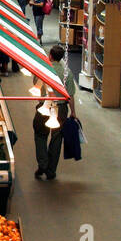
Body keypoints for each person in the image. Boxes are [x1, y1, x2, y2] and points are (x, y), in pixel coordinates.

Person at [33, 44, 79, 180]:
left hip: (44, 107)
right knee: (57, 138)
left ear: (50, 56)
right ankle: (51, 170)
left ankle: (42, 163)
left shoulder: (44, 69)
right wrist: (73, 113)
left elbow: (36, 86)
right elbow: (70, 96)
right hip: (61, 109)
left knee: (40, 134)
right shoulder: (67, 73)